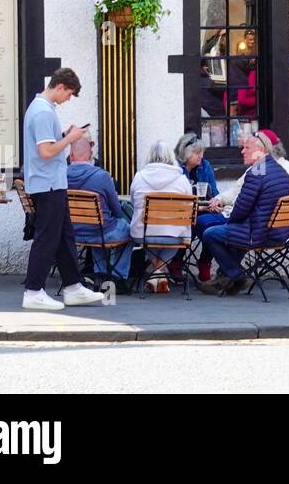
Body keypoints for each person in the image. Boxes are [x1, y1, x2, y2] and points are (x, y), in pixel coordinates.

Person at [20, 68, 106, 311]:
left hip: (51, 183)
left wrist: (63, 134)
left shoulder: (41, 109)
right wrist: (71, 138)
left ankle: (73, 287)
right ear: (60, 87)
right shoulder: (43, 112)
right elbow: (46, 152)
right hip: (48, 183)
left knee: (63, 236)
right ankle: (33, 291)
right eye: (69, 94)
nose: (69, 99)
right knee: (47, 238)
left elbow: (46, 145)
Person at [198, 130, 289, 296]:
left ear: (260, 150)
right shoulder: (280, 170)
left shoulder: (257, 172)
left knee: (210, 233)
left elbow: (241, 209)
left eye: (246, 148)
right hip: (279, 232)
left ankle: (237, 275)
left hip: (259, 234)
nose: (242, 151)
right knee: (230, 232)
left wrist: (229, 222)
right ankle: (228, 278)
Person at [129, 140, 193, 294]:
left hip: (144, 233)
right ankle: (159, 273)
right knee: (172, 236)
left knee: (149, 235)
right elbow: (190, 207)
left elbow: (133, 202)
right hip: (174, 234)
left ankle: (155, 274)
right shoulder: (182, 179)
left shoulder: (139, 176)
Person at [67, 134, 132, 283]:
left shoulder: (61, 176)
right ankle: (118, 277)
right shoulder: (102, 176)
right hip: (100, 233)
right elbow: (116, 209)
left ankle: (100, 274)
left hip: (73, 233)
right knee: (130, 230)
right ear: (90, 154)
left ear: (71, 154)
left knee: (100, 227)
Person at [208, 130, 289, 219]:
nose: (243, 151)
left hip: (261, 223)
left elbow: (285, 202)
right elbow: (235, 190)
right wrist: (219, 199)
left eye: (248, 147)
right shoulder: (258, 167)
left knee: (205, 224)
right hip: (247, 219)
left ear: (265, 149)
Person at [176, 132, 222, 283]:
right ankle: (176, 261)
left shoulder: (205, 166)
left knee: (215, 225)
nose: (200, 156)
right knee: (188, 223)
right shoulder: (175, 169)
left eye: (202, 152)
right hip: (181, 213)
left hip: (202, 211)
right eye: (197, 153)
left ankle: (205, 261)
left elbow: (214, 192)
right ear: (186, 153)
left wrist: (216, 202)